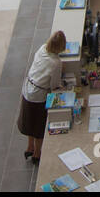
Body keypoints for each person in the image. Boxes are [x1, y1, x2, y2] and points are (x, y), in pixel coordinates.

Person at [19, 30, 67, 164]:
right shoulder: (56, 62)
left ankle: (30, 146)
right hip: (39, 95)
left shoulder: (42, 49)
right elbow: (54, 85)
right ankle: (37, 153)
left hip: (28, 88)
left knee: (29, 119)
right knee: (38, 125)